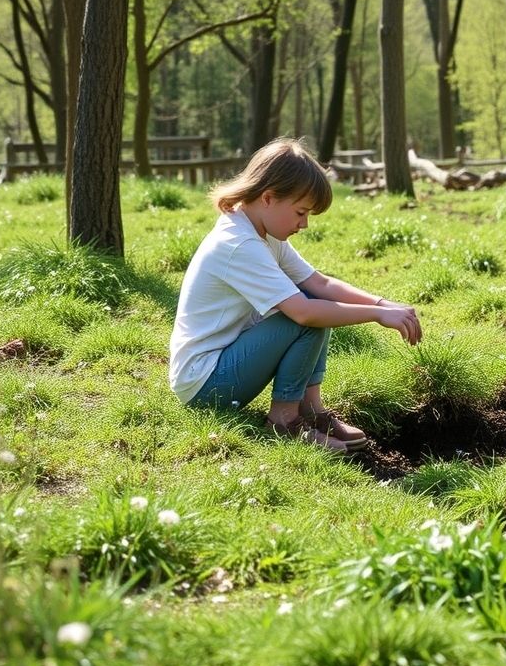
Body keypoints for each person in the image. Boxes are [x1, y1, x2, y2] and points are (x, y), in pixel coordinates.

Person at [168, 137, 422, 453]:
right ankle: (284, 421)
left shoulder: (260, 231)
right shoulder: (239, 244)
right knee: (305, 315)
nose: (303, 224)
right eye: (301, 212)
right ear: (269, 198)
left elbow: (319, 283)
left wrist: (384, 304)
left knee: (310, 300)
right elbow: (304, 311)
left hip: (223, 364)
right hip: (206, 385)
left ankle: (311, 411)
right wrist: (376, 316)